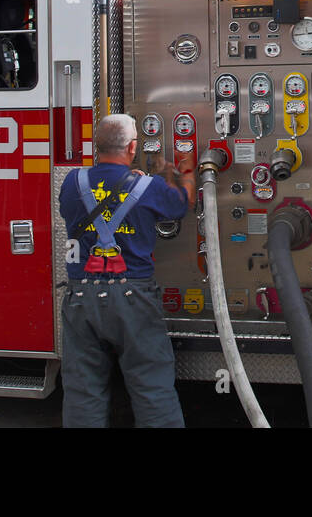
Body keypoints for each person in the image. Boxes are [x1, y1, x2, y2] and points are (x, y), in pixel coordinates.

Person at [57, 112, 196, 427]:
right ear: (133, 147)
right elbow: (182, 203)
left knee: (83, 391)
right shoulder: (149, 187)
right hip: (134, 297)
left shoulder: (72, 182)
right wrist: (178, 171)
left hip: (81, 297)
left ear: (97, 146)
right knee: (151, 386)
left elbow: (69, 211)